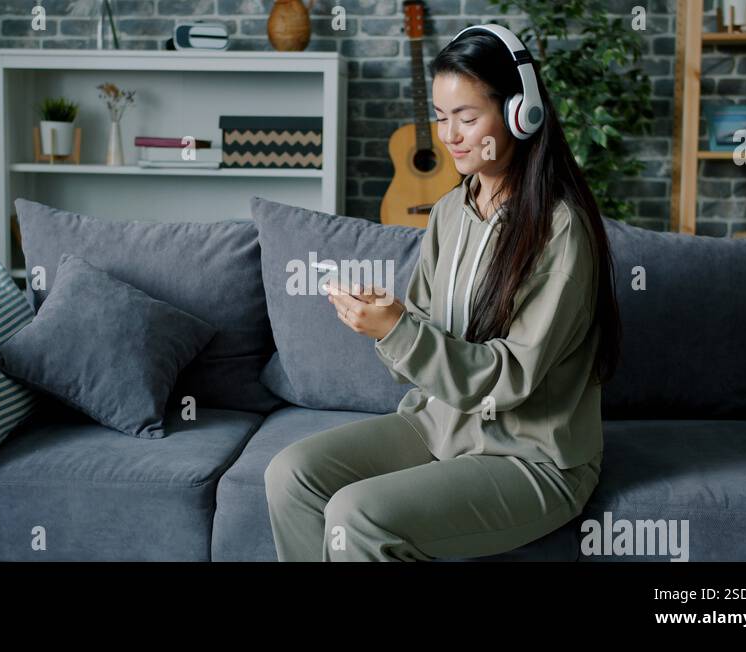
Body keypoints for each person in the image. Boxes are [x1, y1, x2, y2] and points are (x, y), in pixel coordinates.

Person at [263, 24, 622, 562]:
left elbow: (510, 380)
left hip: (531, 457)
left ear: (523, 115)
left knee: (357, 516)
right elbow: (421, 352)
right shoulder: (451, 211)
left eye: (467, 116)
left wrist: (399, 331)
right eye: (440, 116)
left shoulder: (559, 230)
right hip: (439, 426)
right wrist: (389, 319)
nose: (448, 134)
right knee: (289, 474)